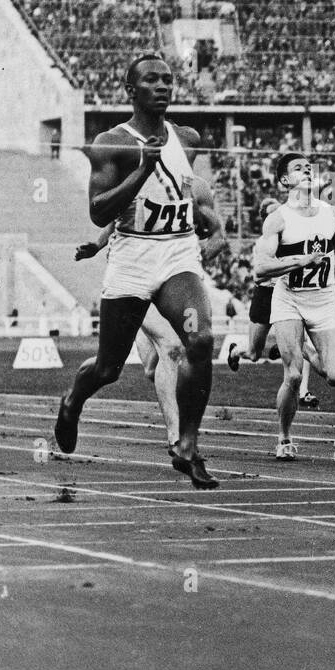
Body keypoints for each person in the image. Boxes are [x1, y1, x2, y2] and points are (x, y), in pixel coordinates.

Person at [54, 54, 218, 489]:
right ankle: (72, 400)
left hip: (177, 255)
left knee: (200, 340)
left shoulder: (188, 138)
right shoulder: (111, 142)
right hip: (132, 259)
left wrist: (199, 212)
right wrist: (142, 168)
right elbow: (97, 210)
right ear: (131, 89)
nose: (163, 86)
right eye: (151, 80)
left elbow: (187, 190)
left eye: (168, 80)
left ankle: (187, 445)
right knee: (108, 368)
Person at [75, 169, 227, 459]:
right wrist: (96, 245)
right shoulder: (136, 179)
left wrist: (194, 258)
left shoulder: (198, 187)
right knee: (169, 349)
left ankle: (175, 425)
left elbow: (218, 236)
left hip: (175, 282)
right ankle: (176, 438)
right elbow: (117, 221)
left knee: (153, 366)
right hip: (136, 280)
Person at [253, 152, 335, 461]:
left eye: (309, 168)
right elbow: (261, 267)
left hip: (324, 302)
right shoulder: (279, 219)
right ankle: (284, 438)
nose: (307, 171)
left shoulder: (331, 214)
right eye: (299, 168)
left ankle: (309, 351)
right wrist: (301, 259)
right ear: (285, 180)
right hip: (289, 301)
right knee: (295, 376)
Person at [227, 196, 325, 409]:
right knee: (253, 353)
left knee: (300, 344)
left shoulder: (292, 237)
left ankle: (303, 390)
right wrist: (290, 265)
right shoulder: (262, 243)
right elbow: (260, 275)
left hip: (288, 295)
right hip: (265, 294)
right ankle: (236, 351)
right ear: (265, 219)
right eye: (272, 213)